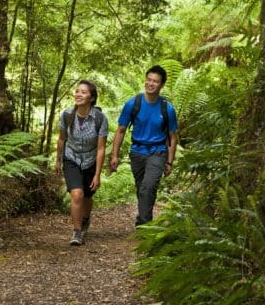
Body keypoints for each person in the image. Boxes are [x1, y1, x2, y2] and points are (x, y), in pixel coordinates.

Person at [109, 65, 179, 226]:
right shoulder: (133, 104)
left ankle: (144, 224)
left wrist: (169, 161)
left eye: (155, 81)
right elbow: (120, 130)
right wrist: (114, 155)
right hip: (137, 152)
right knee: (142, 187)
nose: (151, 83)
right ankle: (144, 218)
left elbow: (172, 137)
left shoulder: (167, 108)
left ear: (161, 85)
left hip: (158, 151)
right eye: (149, 80)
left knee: (149, 186)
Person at [55, 79, 109, 246]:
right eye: (77, 91)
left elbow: (101, 148)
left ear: (91, 98)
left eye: (83, 92)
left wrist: (97, 174)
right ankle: (77, 231)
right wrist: (58, 161)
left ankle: (85, 219)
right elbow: (62, 139)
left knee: (87, 196)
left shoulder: (100, 118)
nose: (79, 94)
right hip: (71, 158)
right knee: (77, 194)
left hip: (91, 160)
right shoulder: (66, 115)